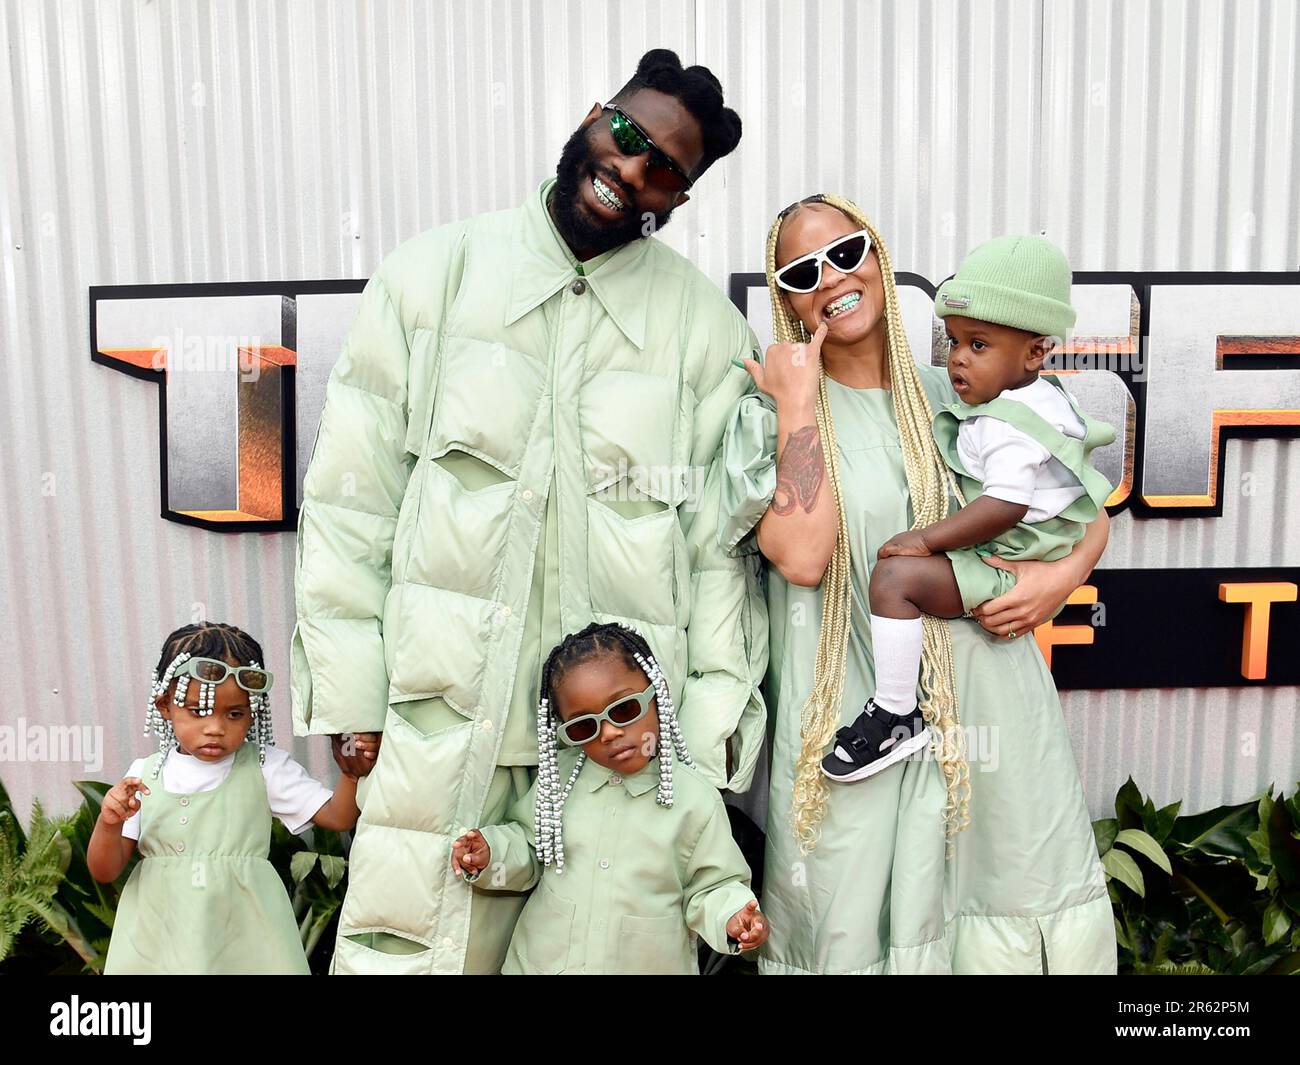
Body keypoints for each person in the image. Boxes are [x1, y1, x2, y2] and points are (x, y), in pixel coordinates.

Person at [291, 49, 768, 974]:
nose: (631, 169)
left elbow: (721, 565)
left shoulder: (707, 336)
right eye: (627, 136)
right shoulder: (431, 277)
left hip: (616, 757)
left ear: (677, 200)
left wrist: (704, 735)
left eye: (664, 168)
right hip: (442, 722)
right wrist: (351, 689)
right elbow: (352, 504)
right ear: (595, 116)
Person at [727, 193, 1116, 973]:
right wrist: (799, 400)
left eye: (846, 251)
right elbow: (803, 558)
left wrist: (1062, 578)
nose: (832, 277)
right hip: (852, 721)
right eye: (803, 271)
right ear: (784, 297)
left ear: (877, 254)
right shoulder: (768, 415)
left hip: (986, 698)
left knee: (998, 903)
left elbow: (1080, 502)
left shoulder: (964, 392)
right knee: (847, 922)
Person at [820, 234, 1116, 784]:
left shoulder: (1004, 421)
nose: (957, 356)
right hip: (1016, 566)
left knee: (894, 578)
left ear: (1035, 352)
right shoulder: (1035, 399)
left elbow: (1007, 505)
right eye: (954, 340)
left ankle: (893, 711)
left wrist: (927, 540)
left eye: (978, 345)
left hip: (1010, 568)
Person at [450, 622, 767, 974]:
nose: (610, 732)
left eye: (624, 709)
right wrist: (489, 852)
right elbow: (528, 847)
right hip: (544, 964)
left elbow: (712, 886)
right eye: (584, 726)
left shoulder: (695, 800)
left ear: (656, 693)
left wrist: (733, 916)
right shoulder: (558, 782)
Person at [90, 621, 367, 974]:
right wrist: (109, 823)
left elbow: (338, 817)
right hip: (160, 943)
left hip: (245, 942)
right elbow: (105, 870)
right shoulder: (144, 775)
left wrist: (350, 772)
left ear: (253, 713)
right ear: (164, 706)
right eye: (198, 710)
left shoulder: (265, 767)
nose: (215, 728)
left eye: (234, 714)